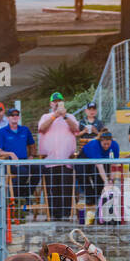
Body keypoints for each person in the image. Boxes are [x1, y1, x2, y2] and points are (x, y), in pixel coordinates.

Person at [38, 91, 80, 221]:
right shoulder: (46, 116)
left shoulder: (70, 117)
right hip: (50, 160)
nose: (56, 103)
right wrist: (55, 116)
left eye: (59, 101)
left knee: (66, 188)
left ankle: (66, 215)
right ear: (51, 104)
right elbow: (42, 128)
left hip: (66, 160)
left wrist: (64, 115)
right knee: (53, 188)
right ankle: (54, 215)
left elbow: (76, 129)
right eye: (54, 101)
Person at [0, 107, 38, 200]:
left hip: (24, 161)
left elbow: (32, 145)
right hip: (9, 163)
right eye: (12, 115)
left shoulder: (25, 130)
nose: (15, 117)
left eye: (17, 115)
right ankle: (15, 196)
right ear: (8, 117)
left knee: (40, 169)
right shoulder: (2, 132)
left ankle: (26, 192)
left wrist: (31, 156)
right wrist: (11, 154)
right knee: (24, 172)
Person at [79, 127, 119, 211]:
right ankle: (90, 198)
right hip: (84, 159)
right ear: (100, 141)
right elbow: (99, 165)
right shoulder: (94, 145)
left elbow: (114, 164)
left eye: (108, 144)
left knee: (100, 179)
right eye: (104, 144)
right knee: (83, 176)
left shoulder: (115, 145)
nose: (106, 146)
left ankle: (99, 198)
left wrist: (111, 180)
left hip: (102, 160)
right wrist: (106, 181)